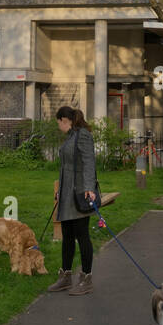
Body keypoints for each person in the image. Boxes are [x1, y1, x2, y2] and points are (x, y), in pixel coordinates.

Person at [47, 106, 99, 296]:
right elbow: (66, 167)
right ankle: (66, 277)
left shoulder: (82, 135)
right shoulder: (71, 136)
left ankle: (86, 279)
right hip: (67, 193)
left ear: (63, 120)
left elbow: (89, 162)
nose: (58, 126)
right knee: (67, 235)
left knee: (82, 235)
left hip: (79, 193)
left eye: (58, 122)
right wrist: (60, 190)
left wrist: (89, 188)